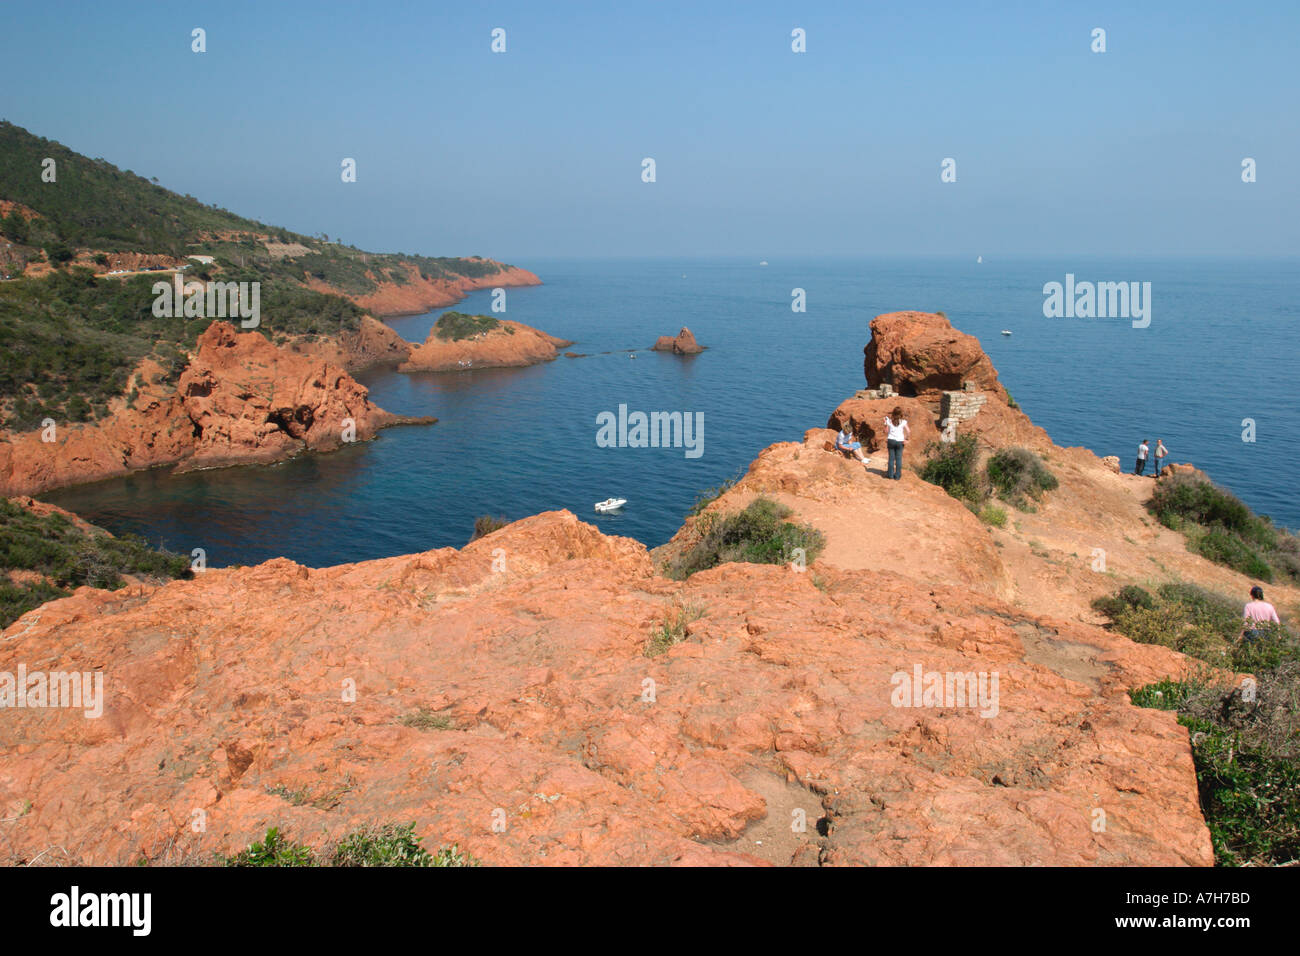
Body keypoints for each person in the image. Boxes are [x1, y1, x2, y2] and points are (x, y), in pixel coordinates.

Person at [883, 407, 910, 480]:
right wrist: (906, 439)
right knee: (898, 459)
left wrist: (885, 423)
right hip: (900, 441)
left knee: (891, 458)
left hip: (891, 440)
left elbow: (885, 431)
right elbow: (908, 431)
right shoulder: (903, 422)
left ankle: (890, 475)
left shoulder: (889, 421)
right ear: (901, 414)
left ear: (893, 413)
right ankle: (897, 476)